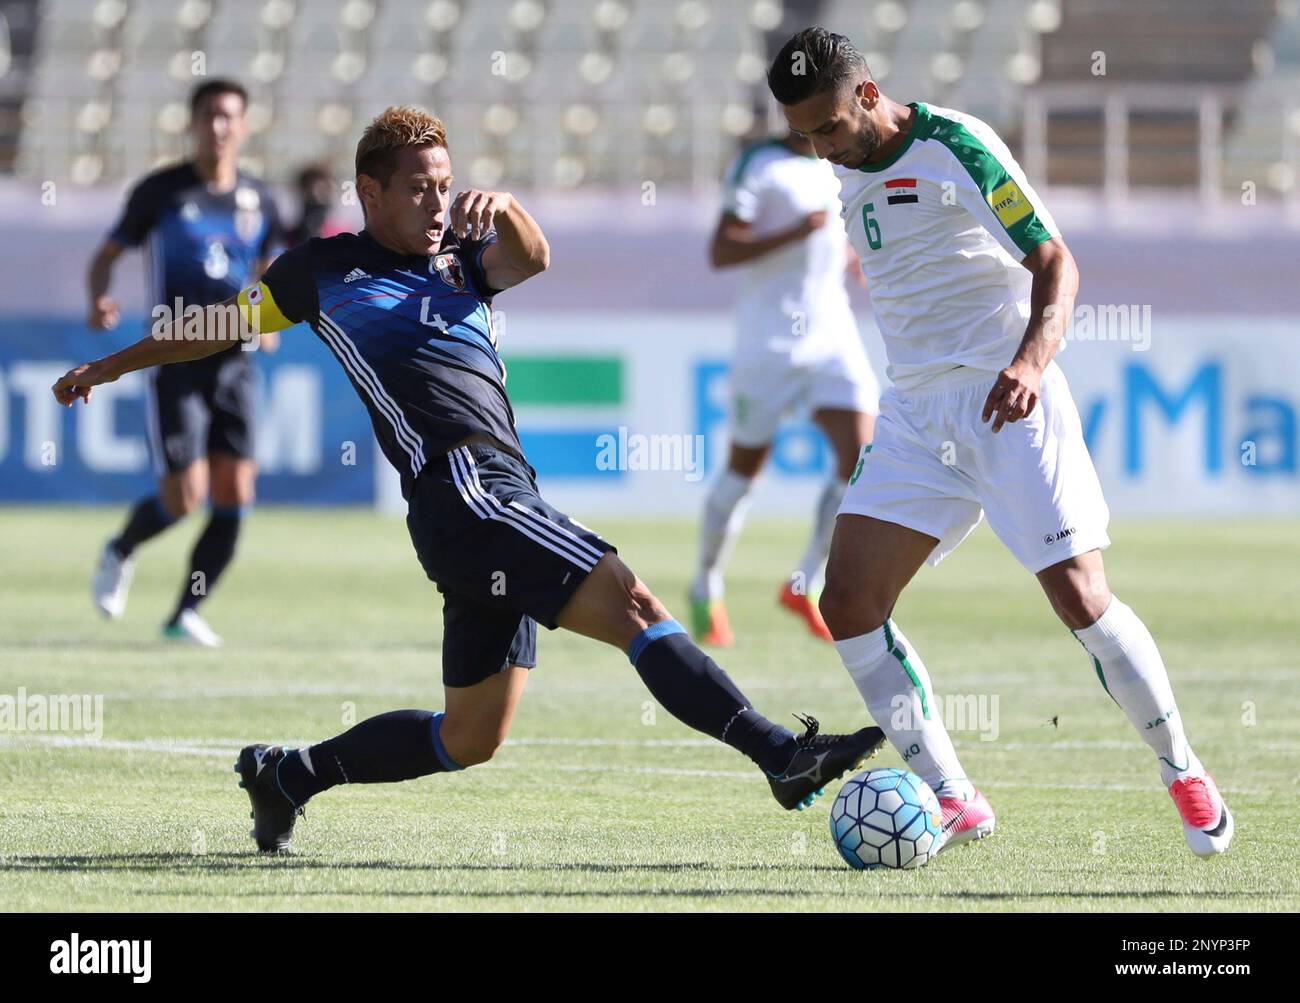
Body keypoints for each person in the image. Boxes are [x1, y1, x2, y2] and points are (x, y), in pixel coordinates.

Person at [54, 105, 884, 854]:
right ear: (368, 192)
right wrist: (114, 363)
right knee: (636, 605)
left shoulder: (462, 259)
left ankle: (290, 774)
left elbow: (534, 256)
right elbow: (212, 328)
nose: (437, 202)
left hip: (487, 498)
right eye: (419, 188)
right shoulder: (321, 272)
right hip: (464, 487)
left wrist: (508, 208)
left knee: (470, 736)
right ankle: (780, 752)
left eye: (446, 185)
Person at [765, 27, 1233, 857]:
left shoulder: (957, 145)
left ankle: (1182, 767)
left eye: (829, 127)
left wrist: (1027, 362)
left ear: (868, 95)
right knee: (846, 603)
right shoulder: (840, 168)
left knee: (1079, 597)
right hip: (914, 414)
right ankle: (953, 795)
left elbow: (1056, 262)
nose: (820, 146)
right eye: (806, 135)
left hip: (1006, 398)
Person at [85, 78, 282, 647]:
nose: (218, 127)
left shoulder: (259, 199)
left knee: (236, 491)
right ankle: (121, 548)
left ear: (243, 126)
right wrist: (99, 297)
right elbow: (107, 256)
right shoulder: (162, 193)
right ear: (193, 124)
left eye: (228, 117)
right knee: (184, 498)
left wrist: (270, 321)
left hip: (237, 361)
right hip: (177, 358)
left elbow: (268, 268)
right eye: (208, 116)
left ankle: (184, 613)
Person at [691, 128, 879, 646]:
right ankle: (706, 584)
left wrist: (849, 256)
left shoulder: (841, 160)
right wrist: (794, 232)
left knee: (863, 457)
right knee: (745, 470)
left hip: (832, 334)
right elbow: (721, 249)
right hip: (769, 340)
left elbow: (836, 233)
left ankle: (805, 583)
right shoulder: (759, 162)